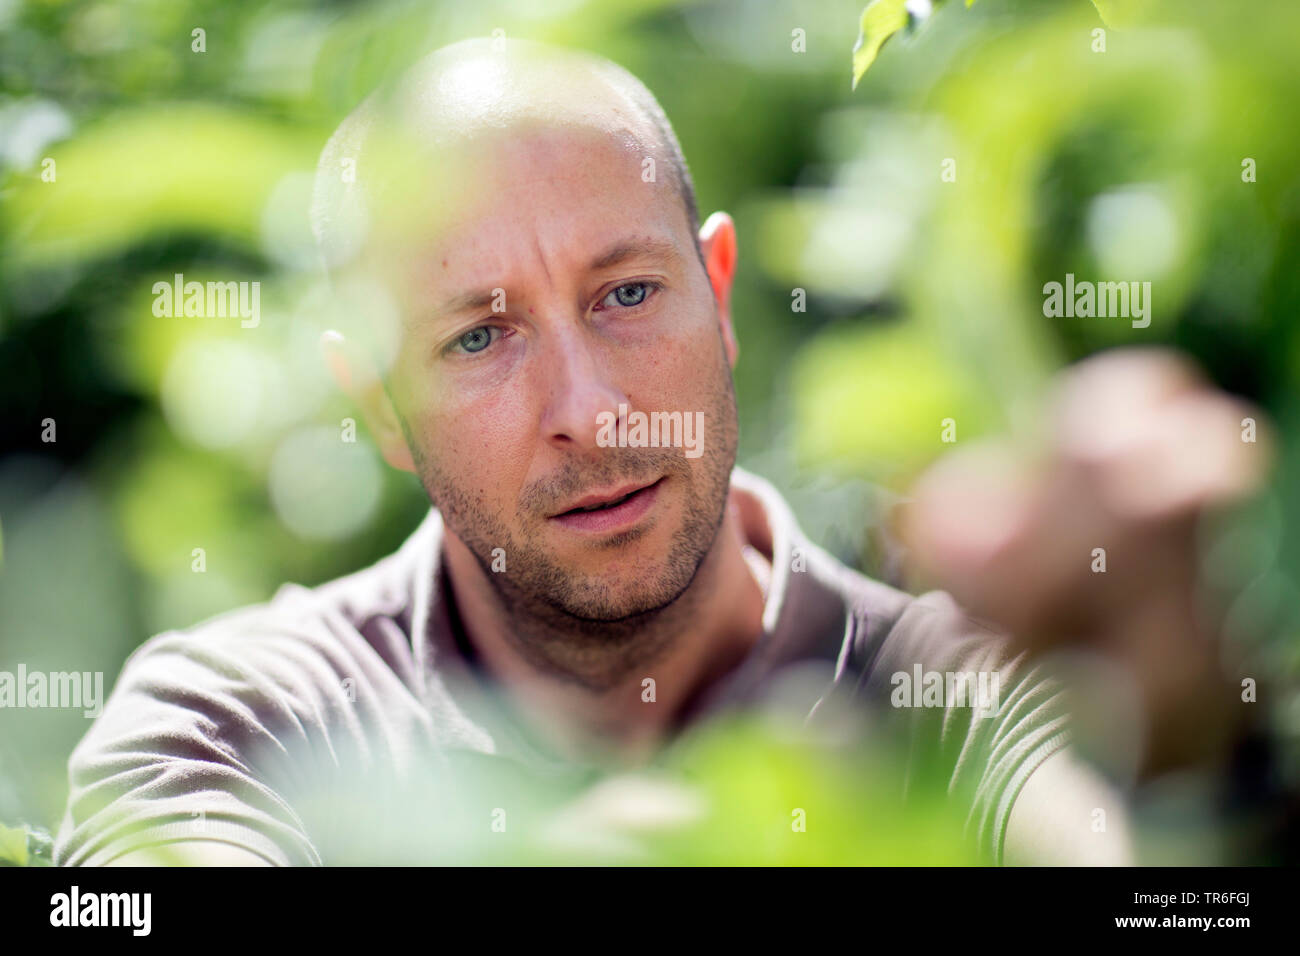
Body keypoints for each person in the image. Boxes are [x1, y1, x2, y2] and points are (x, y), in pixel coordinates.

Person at [53, 38, 1274, 867]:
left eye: (628, 294)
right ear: (377, 404)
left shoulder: (959, 693)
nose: (592, 410)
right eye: (479, 334)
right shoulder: (231, 724)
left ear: (720, 290)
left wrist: (1195, 766)